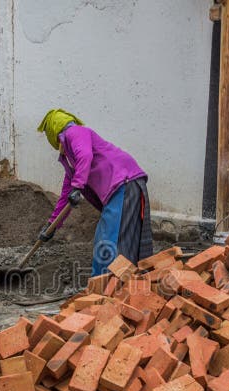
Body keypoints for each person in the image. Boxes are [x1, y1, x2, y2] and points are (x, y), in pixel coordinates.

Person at [37, 109, 153, 276]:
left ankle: (104, 288)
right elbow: (65, 196)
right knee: (121, 238)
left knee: (107, 239)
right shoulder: (72, 162)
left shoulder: (75, 132)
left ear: (54, 131)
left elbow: (85, 155)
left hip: (124, 183)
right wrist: (52, 225)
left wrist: (78, 186)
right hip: (123, 186)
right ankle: (120, 285)